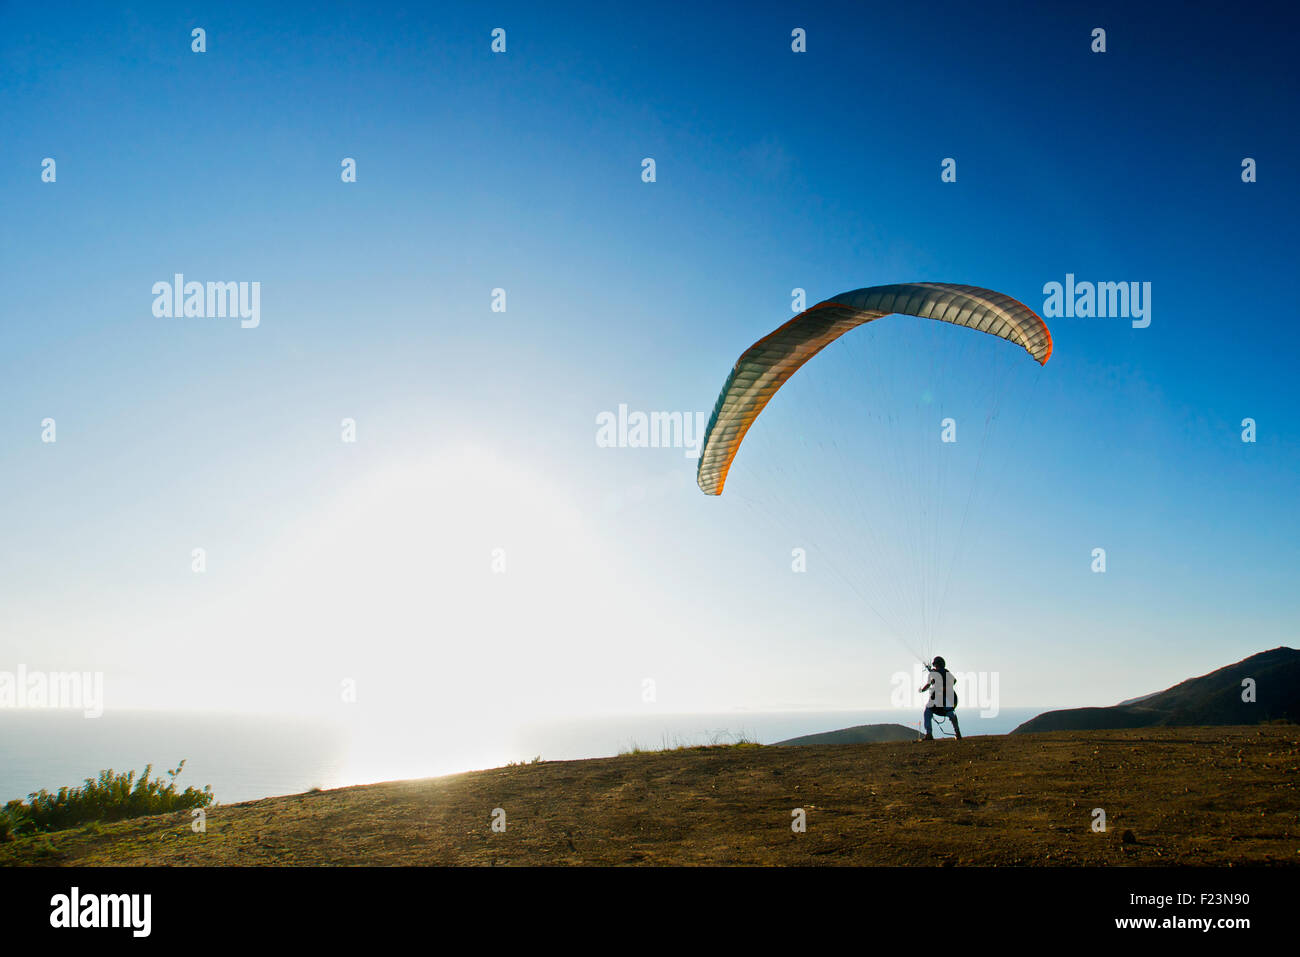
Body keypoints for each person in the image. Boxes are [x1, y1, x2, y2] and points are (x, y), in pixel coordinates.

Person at [919, 656, 961, 740]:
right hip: (940, 698)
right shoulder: (939, 673)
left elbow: (953, 681)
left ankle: (929, 734)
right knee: (949, 713)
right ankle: (957, 733)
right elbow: (930, 683)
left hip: (945, 697)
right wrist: (923, 689)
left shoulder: (943, 672)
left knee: (928, 712)